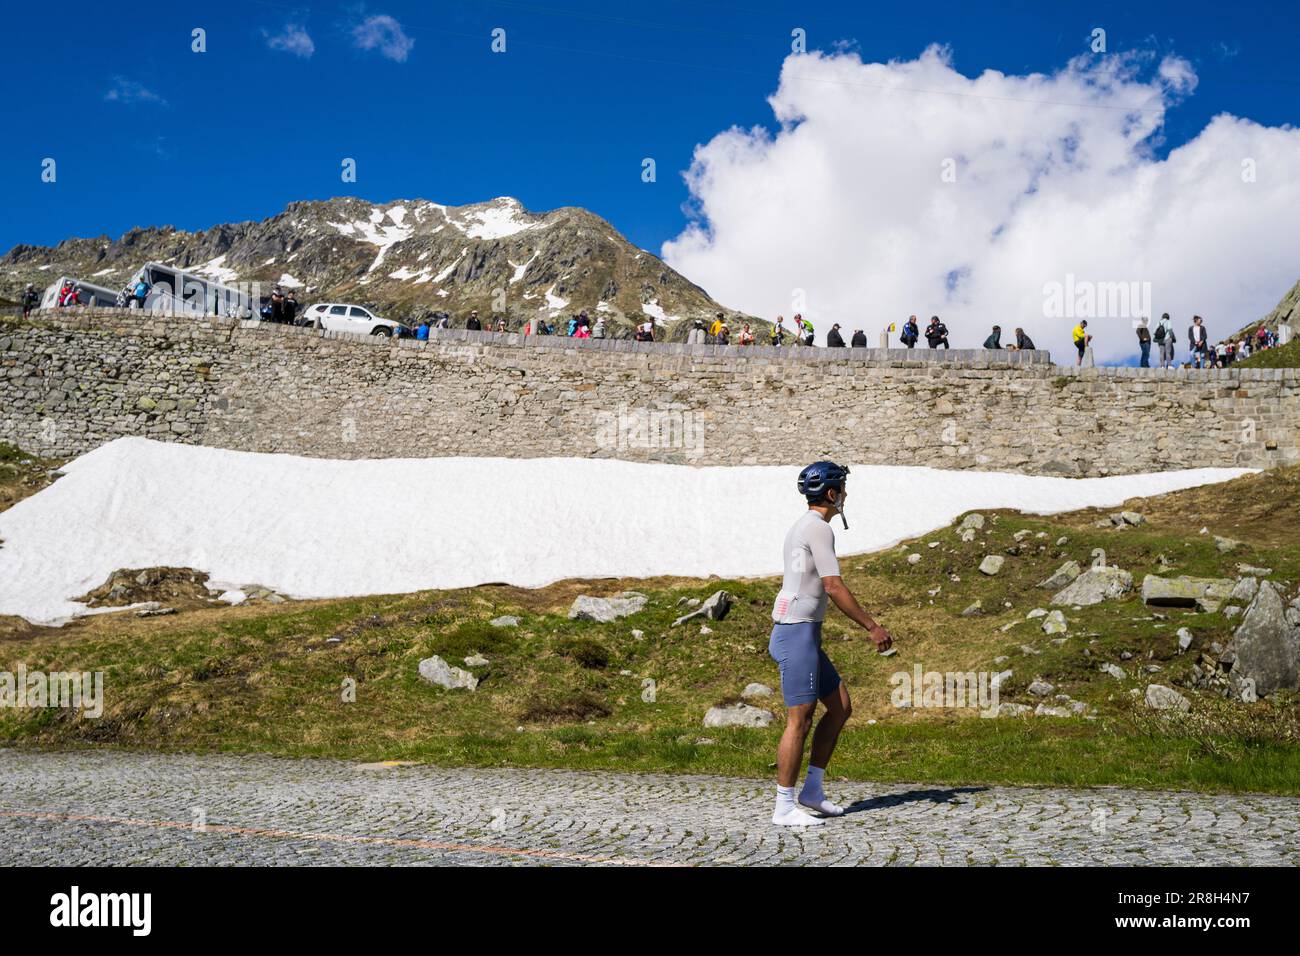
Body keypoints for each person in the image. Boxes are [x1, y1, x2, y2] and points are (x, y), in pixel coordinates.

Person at [768, 461, 892, 827]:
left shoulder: (802, 526)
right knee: (799, 721)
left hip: (800, 631)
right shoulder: (819, 529)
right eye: (844, 491)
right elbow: (833, 585)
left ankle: (813, 791)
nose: (846, 497)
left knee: (839, 706)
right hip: (797, 632)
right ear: (834, 494)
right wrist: (872, 626)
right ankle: (784, 807)